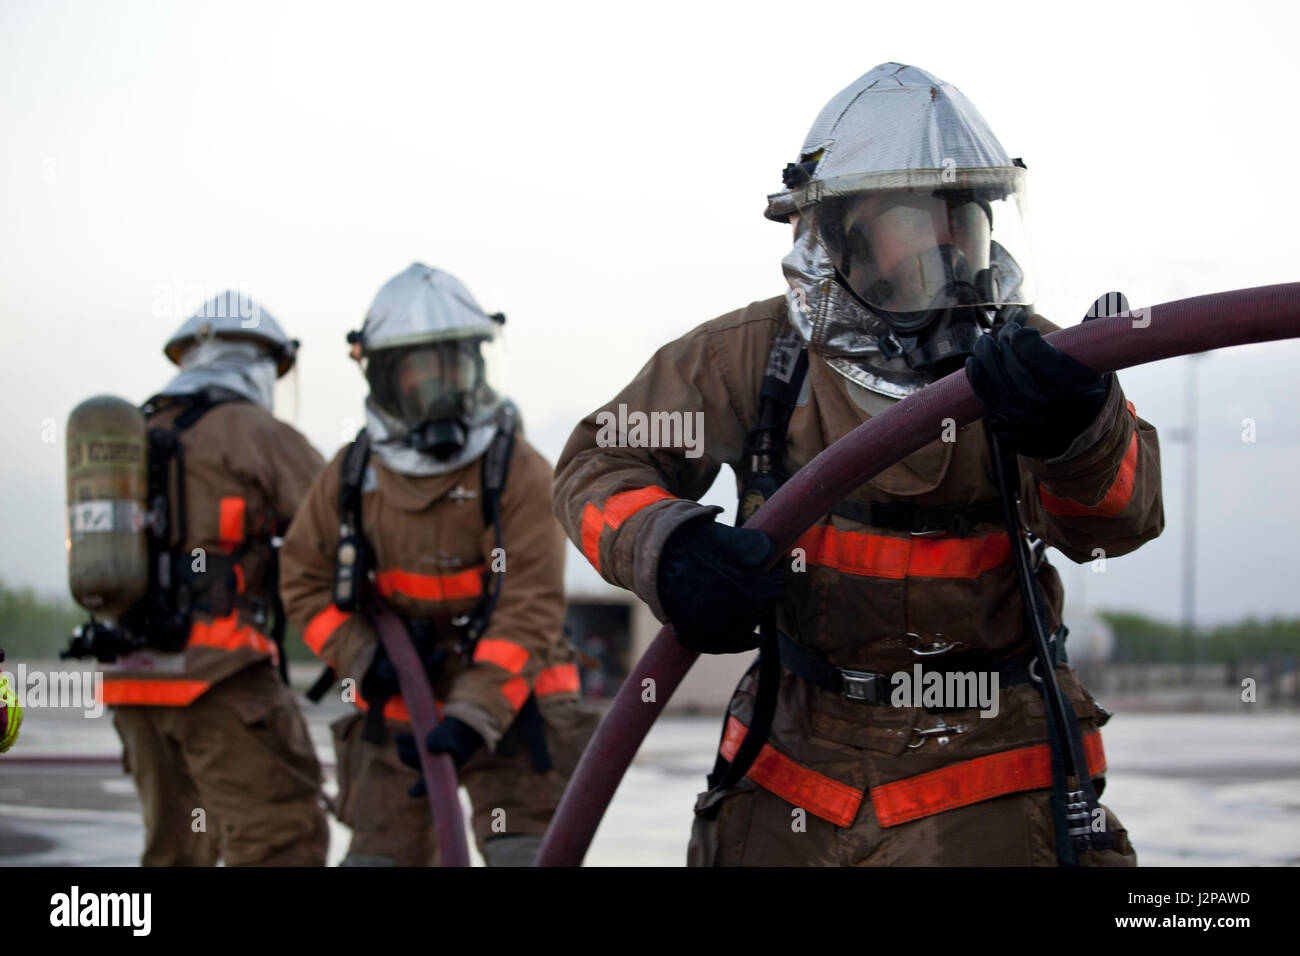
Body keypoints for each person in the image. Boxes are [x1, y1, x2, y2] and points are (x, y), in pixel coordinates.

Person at [552, 63, 1164, 866]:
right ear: (836, 236)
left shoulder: (1034, 366)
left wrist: (1080, 431)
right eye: (918, 213)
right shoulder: (754, 358)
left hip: (989, 769)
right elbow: (598, 462)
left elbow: (1121, 521)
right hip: (793, 760)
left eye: (965, 212)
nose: (951, 239)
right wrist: (669, 550)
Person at [280, 263, 592, 867]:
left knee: (527, 858)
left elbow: (530, 608)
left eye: (453, 362)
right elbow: (302, 581)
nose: (441, 382)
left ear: (477, 363)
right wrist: (363, 656)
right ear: (387, 376)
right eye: (423, 367)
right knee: (379, 862)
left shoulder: (519, 471)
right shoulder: (353, 474)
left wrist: (475, 713)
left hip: (515, 709)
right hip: (396, 710)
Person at [98, 292, 329, 866]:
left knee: (175, 851)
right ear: (261, 361)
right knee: (281, 840)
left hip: (135, 684)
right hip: (221, 680)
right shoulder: (256, 432)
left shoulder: (138, 431)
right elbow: (339, 525)